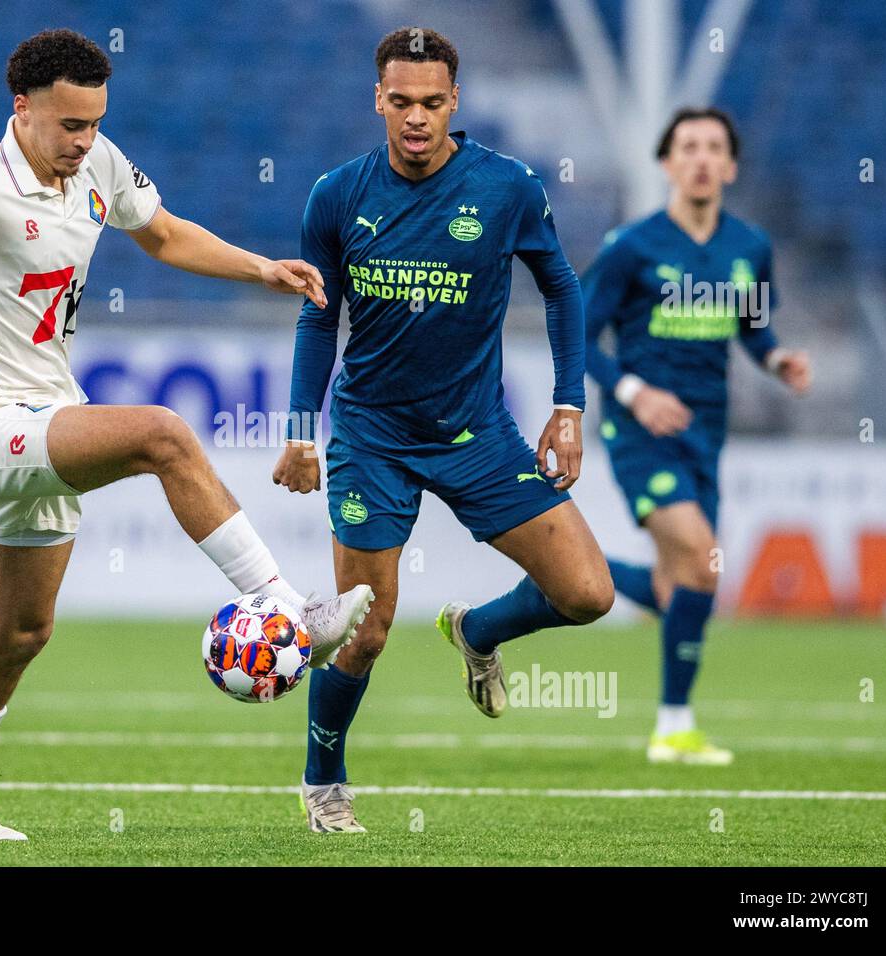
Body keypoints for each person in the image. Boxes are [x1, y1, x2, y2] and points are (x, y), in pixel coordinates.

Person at [0, 29, 374, 841]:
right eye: (68, 125)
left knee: (21, 632)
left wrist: (261, 268)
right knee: (161, 434)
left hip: (51, 405)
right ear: (21, 110)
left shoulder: (95, 162)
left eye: (94, 123)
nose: (83, 141)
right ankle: (281, 604)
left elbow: (162, 233)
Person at [273, 27, 613, 833]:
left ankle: (478, 629)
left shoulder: (507, 188)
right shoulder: (338, 195)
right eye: (401, 102)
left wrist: (569, 407)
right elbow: (318, 321)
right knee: (364, 629)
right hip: (372, 437)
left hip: (477, 433)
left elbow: (563, 290)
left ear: (455, 101)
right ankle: (325, 782)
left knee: (587, 593)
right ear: (378, 101)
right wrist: (299, 431)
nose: (417, 118)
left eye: (432, 102)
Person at [582, 107, 812, 765]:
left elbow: (753, 326)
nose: (702, 158)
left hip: (708, 431)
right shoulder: (632, 245)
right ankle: (672, 726)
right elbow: (577, 333)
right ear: (668, 164)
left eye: (715, 148)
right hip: (639, 429)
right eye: (689, 147)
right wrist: (633, 392)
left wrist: (776, 360)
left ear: (731, 166)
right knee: (701, 550)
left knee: (686, 582)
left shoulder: (750, 247)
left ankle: (567, 580)